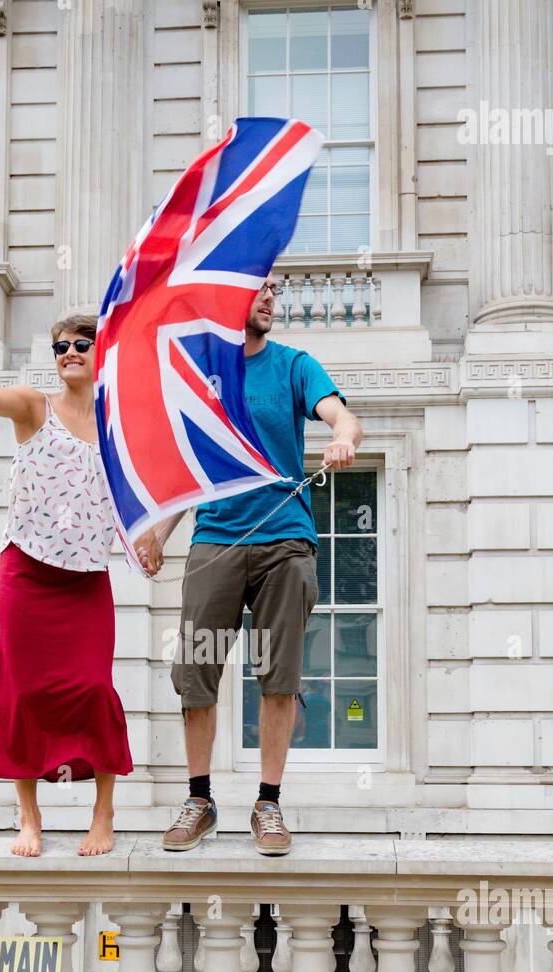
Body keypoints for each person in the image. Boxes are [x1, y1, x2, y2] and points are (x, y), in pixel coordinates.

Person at [137, 274, 362, 855]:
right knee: (195, 672)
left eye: (275, 292)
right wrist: (160, 532)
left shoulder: (294, 365)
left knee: (278, 674)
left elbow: (343, 416)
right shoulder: (206, 372)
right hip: (216, 537)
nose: (268, 299)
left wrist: (343, 437)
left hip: (286, 538)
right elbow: (191, 467)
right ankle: (200, 799)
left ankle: (268, 803)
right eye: (258, 289)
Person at [0, 314, 132, 858]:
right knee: (21, 691)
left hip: (85, 580)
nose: (69, 352)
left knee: (93, 689)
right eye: (60, 345)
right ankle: (29, 818)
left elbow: (143, 493)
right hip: (26, 573)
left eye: (82, 344)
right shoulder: (37, 406)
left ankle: (102, 814)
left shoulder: (117, 425)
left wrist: (149, 539)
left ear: (100, 352)